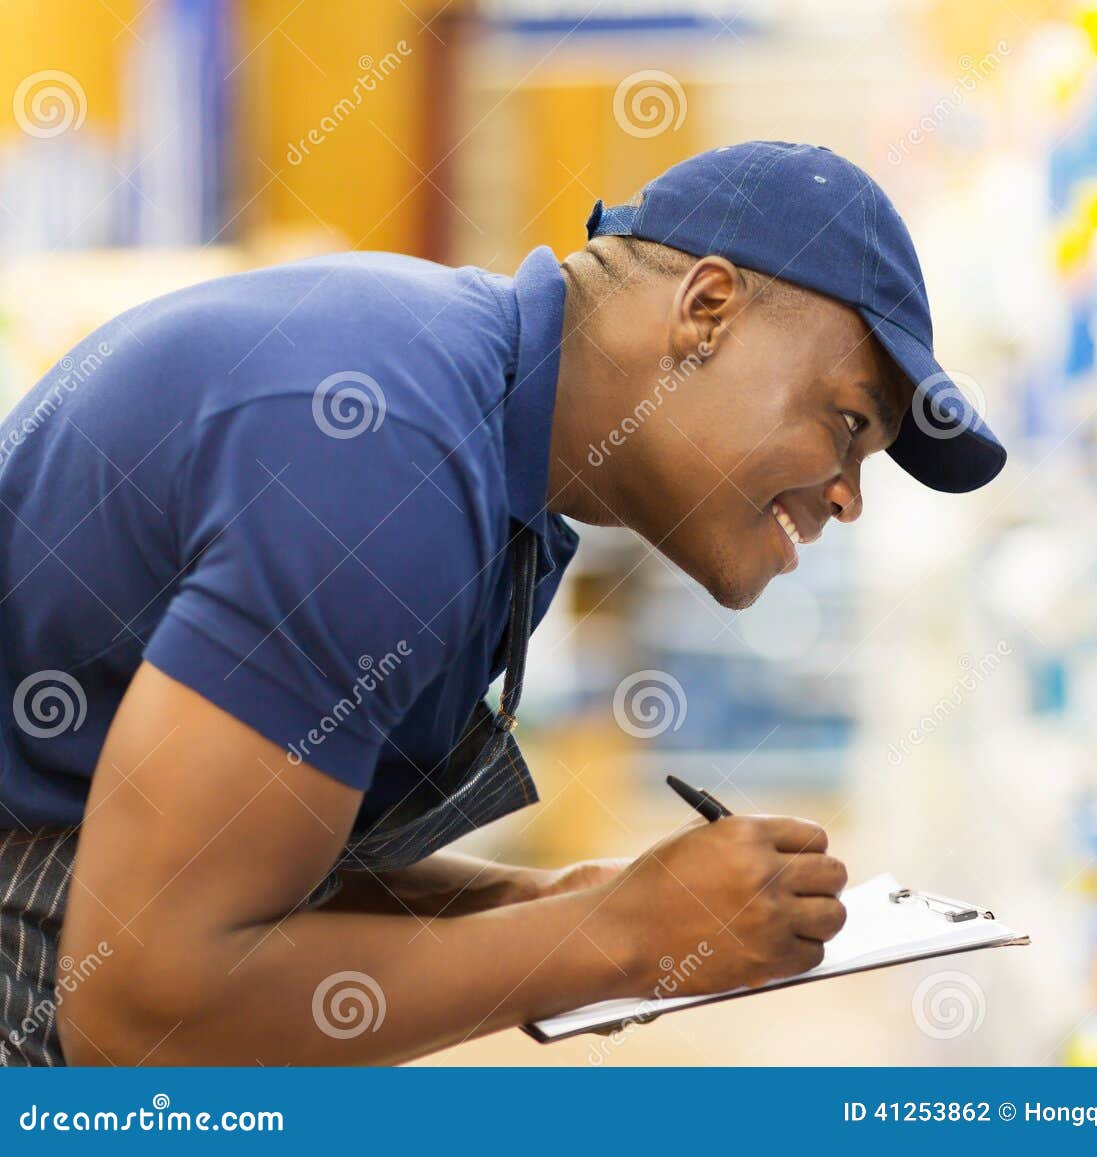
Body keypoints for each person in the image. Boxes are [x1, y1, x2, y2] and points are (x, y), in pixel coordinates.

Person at [0, 141, 1005, 1065]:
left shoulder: (482, 447)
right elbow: (137, 1009)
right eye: (845, 421)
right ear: (705, 311)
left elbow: (249, 861)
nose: (848, 495)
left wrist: (550, 900)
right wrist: (617, 936)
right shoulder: (385, 466)